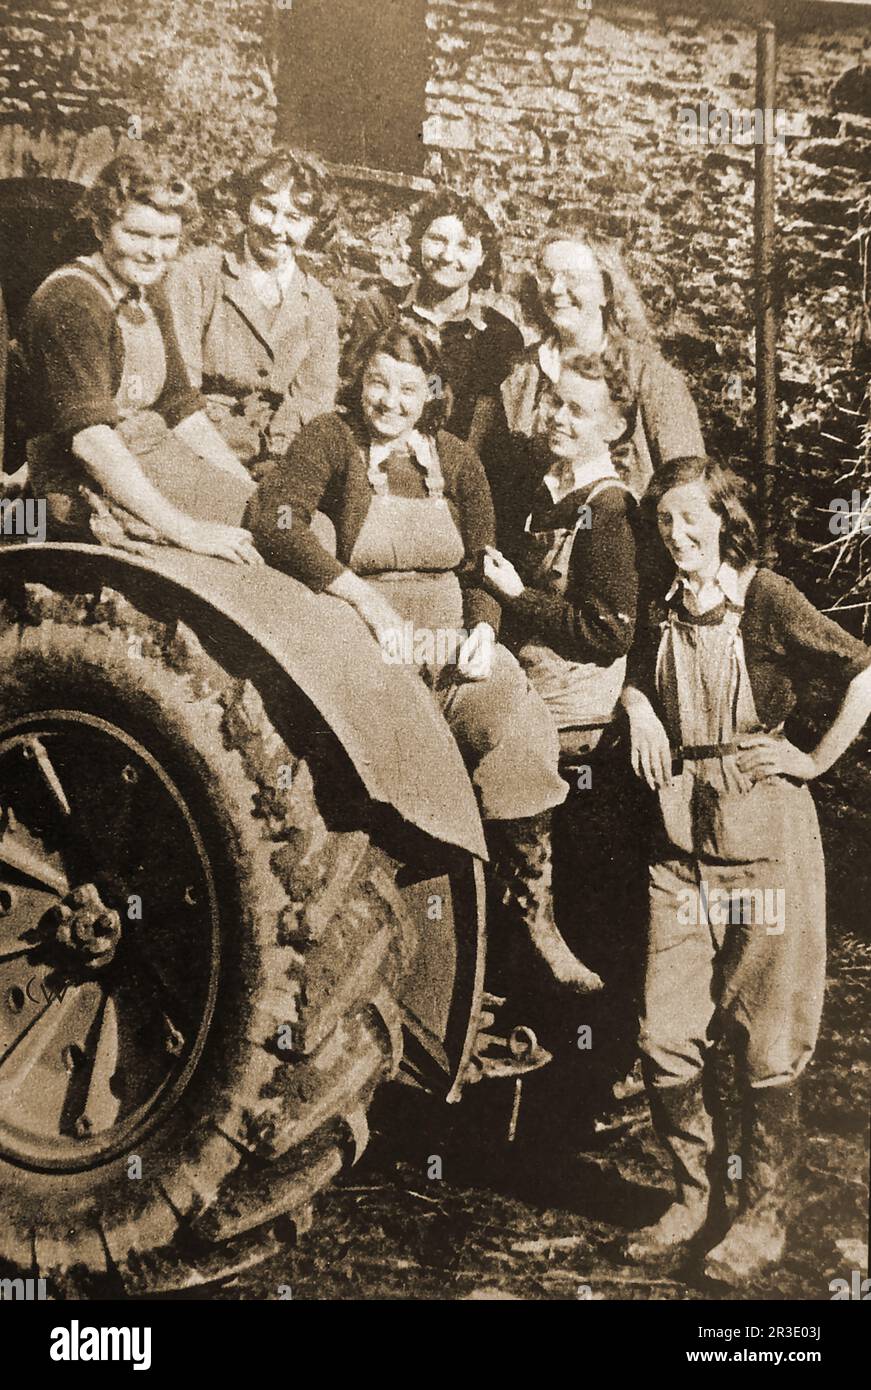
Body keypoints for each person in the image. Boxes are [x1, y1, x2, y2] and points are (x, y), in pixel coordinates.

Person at [247, 322, 604, 993]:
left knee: (515, 718)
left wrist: (484, 632)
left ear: (429, 391)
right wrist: (356, 596)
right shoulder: (332, 438)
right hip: (364, 645)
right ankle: (396, 945)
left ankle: (530, 912)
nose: (388, 400)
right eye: (378, 381)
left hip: (448, 647)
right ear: (360, 379)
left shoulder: (456, 460)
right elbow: (277, 520)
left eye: (407, 388)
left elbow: (480, 563)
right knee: (396, 769)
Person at [620, 455, 871, 1281]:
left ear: (725, 519)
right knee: (665, 1035)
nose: (676, 535)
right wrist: (637, 713)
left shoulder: (765, 599)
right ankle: (692, 1199)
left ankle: (759, 1218)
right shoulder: (656, 610)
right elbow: (631, 677)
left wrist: (813, 761)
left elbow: (862, 671)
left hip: (765, 842)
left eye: (691, 518)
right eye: (663, 523)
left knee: (766, 1043)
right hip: (678, 844)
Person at [482, 362, 647, 1083]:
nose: (557, 417)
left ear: (613, 427)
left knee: (579, 913)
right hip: (533, 719)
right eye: (554, 401)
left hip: (577, 735)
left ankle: (601, 1078)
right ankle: (538, 1069)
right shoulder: (547, 490)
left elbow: (607, 630)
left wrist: (516, 598)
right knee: (533, 905)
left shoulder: (610, 511)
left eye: (578, 411)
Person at [18, 149, 260, 564]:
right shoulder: (72, 300)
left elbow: (181, 408)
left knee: (273, 522)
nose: (154, 252)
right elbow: (91, 441)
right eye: (137, 235)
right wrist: (188, 531)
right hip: (71, 489)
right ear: (100, 225)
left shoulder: (147, 291)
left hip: (140, 463)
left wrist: (248, 490)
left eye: (167, 239)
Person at [498, 228, 704, 537]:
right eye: (546, 275)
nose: (555, 289)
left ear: (606, 290)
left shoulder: (650, 375)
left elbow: (689, 483)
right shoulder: (520, 372)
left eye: (573, 278)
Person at [168, 148, 340, 480]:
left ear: (314, 226)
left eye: (294, 217)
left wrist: (277, 462)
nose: (276, 227)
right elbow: (179, 391)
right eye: (266, 207)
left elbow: (311, 404)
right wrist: (232, 470)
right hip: (199, 447)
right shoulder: (197, 274)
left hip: (278, 459)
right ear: (247, 204)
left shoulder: (319, 304)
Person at [348, 187, 523, 464]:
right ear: (418, 242)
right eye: (437, 240)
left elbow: (483, 423)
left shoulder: (497, 333)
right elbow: (360, 396)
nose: (447, 256)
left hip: (456, 467)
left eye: (465, 246)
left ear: (483, 257)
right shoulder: (381, 309)